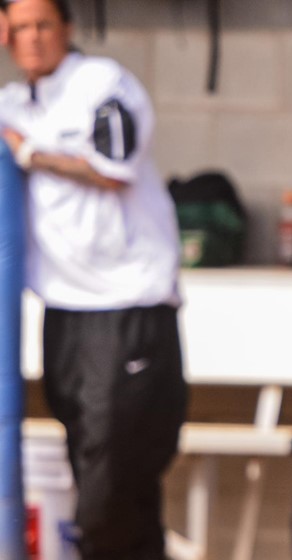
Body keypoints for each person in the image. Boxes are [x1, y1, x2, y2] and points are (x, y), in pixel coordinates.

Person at [0, 1, 187, 559]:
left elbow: (112, 167)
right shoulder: (13, 102)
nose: (32, 39)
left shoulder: (102, 82)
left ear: (67, 29)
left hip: (128, 308)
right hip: (63, 315)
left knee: (106, 495)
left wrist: (31, 153)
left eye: (43, 25)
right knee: (106, 484)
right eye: (20, 28)